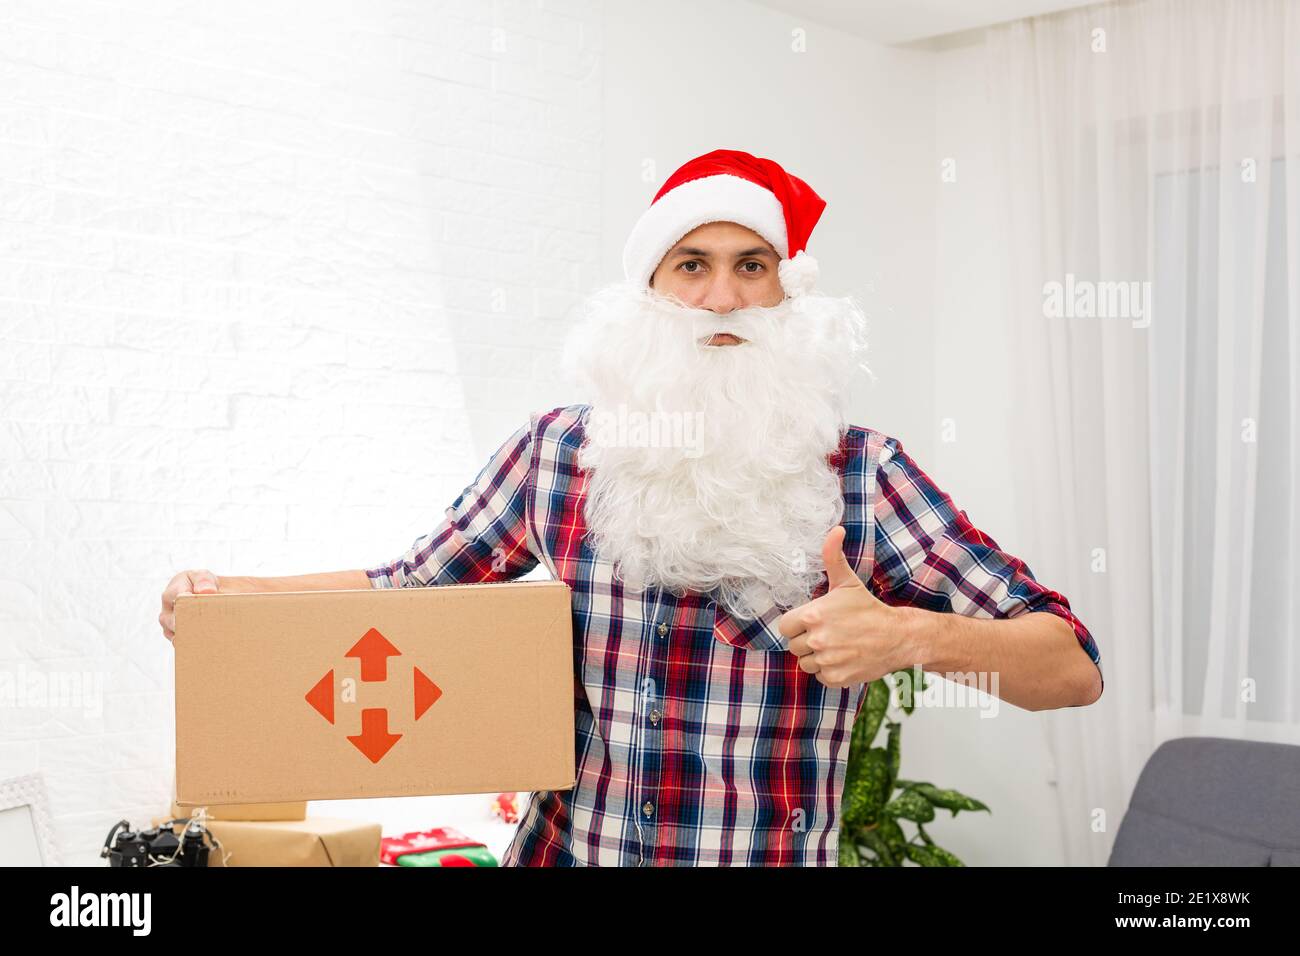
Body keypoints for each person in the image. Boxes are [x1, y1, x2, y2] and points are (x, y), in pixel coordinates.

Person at [160, 148, 1102, 867]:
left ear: (789, 294)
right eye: (691, 265)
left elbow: (1071, 667)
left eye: (752, 265)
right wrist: (229, 600)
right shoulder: (556, 454)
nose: (722, 298)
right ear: (648, 292)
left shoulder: (864, 475)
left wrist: (908, 636)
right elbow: (408, 589)